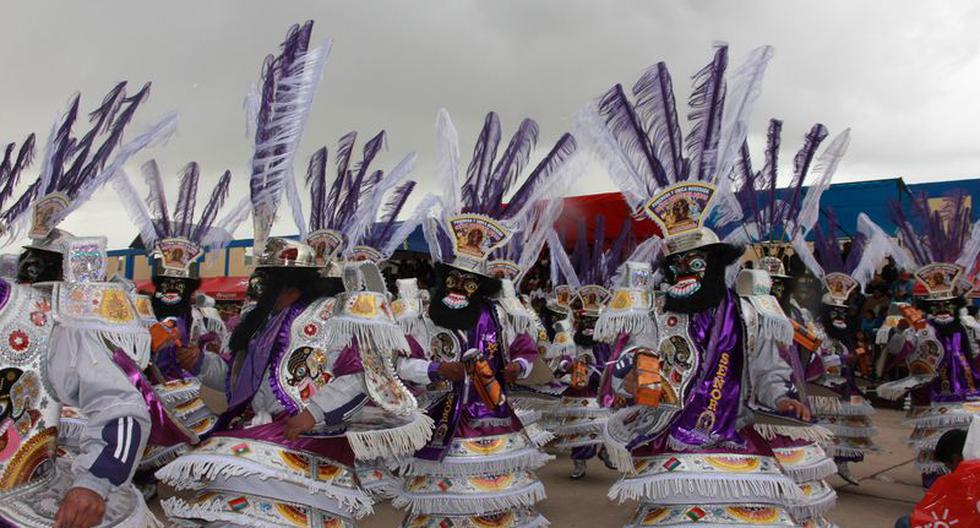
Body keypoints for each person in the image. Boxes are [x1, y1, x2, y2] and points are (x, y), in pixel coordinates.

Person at [579, 42, 813, 525]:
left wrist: (782, 398)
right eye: (677, 265)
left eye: (695, 264)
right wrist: (628, 376)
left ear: (715, 264)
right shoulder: (654, 311)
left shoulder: (750, 311)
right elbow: (635, 362)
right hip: (669, 435)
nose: (685, 273)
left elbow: (767, 372)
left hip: (731, 437)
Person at [391, 108, 579, 527]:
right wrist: (438, 367)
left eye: (470, 283)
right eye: (454, 280)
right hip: (441, 417)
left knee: (495, 505)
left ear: (483, 288)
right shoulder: (420, 315)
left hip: (492, 418)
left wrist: (518, 365)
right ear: (444, 279)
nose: (460, 288)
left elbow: (527, 348)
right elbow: (400, 362)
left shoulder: (502, 314)